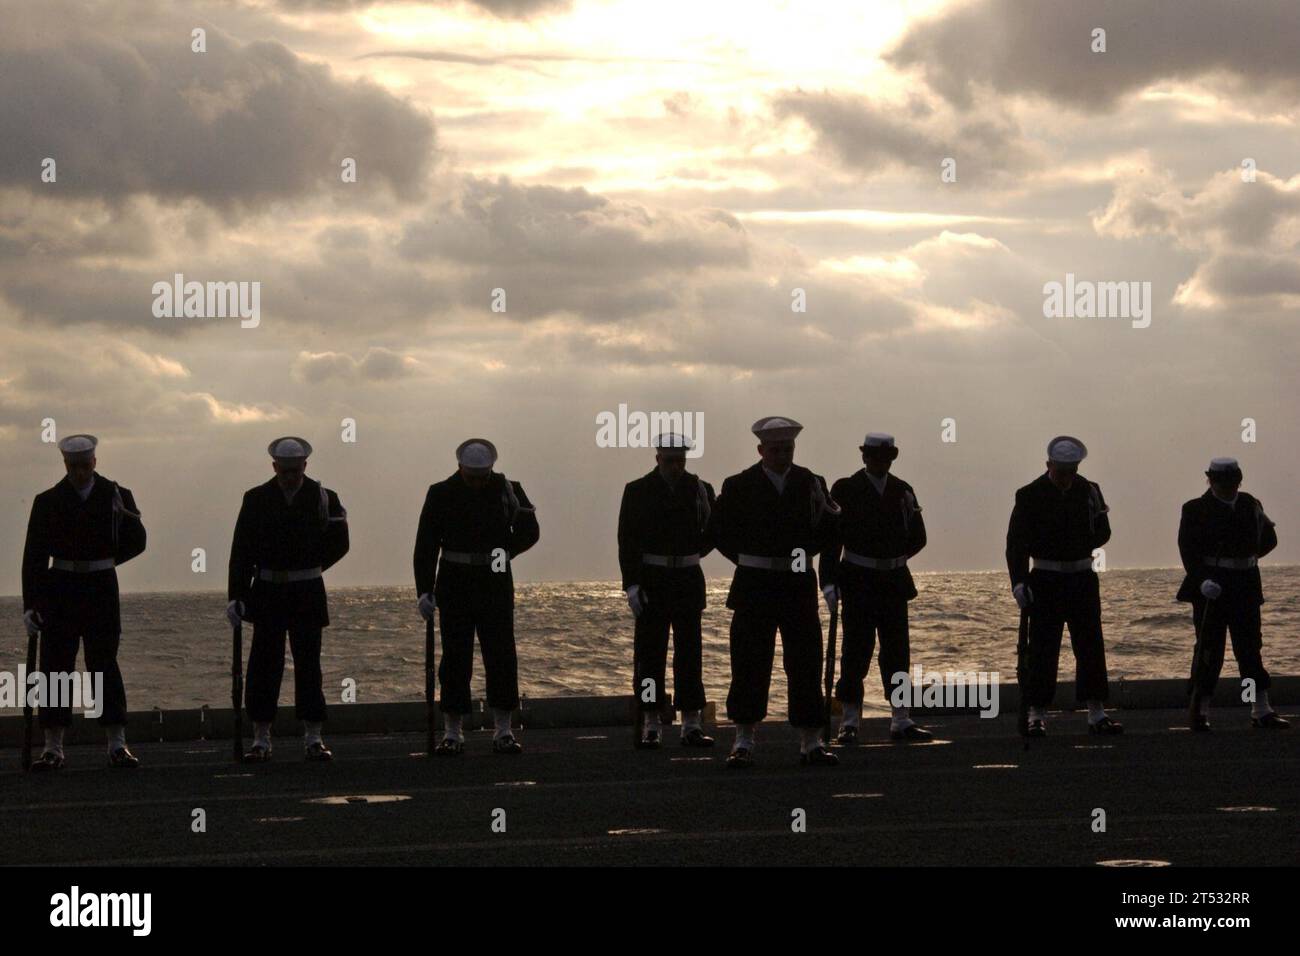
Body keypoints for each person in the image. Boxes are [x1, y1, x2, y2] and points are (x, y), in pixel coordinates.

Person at [707, 416, 840, 767]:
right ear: (761, 450)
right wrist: (747, 558)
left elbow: (829, 529)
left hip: (796, 583)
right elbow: (717, 531)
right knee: (750, 662)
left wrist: (805, 559)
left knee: (805, 661)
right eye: (777, 449)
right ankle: (743, 738)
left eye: (788, 449)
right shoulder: (737, 485)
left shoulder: (812, 482)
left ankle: (810, 740)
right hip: (754, 584)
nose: (784, 455)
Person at [21, 434, 147, 770]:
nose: (78, 472)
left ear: (94, 462)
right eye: (72, 466)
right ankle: (52, 747)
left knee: (104, 663)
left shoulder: (116, 495)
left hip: (100, 588)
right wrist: (31, 604)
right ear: (66, 465)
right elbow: (34, 556)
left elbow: (138, 540)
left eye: (84, 465)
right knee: (55, 666)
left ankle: (117, 743)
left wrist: (105, 559)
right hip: (60, 589)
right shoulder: (47, 501)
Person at [414, 439, 539, 755]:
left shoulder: (508, 489)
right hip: (455, 583)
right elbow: (426, 545)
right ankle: (453, 732)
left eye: (482, 477)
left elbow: (529, 530)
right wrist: (424, 590)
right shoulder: (440, 493)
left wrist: (503, 554)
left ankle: (503, 730)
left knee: (501, 655)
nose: (477, 483)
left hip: (494, 582)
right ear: (460, 469)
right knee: (455, 658)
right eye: (472, 477)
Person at [227, 437, 349, 762]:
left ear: (305, 467)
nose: (290, 476)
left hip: (306, 591)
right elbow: (241, 551)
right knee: (264, 666)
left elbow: (340, 542)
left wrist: (311, 564)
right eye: (284, 471)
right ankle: (261, 737)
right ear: (274, 467)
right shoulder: (255, 499)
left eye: (295, 471)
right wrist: (236, 596)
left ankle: (313, 736)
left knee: (309, 666)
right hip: (268, 592)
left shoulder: (324, 498)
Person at [1006, 436, 1121, 737]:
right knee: (1043, 649)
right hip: (1045, 579)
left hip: (1082, 577)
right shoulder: (1029, 495)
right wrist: (1018, 582)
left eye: (1072, 471)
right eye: (1062, 471)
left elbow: (1103, 531)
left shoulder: (1088, 490)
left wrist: (1080, 543)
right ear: (1049, 466)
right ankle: (1036, 714)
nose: (1067, 477)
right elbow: (1016, 544)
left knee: (1090, 646)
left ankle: (1096, 712)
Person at [820, 433, 931, 744]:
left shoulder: (902, 490)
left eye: (886, 457)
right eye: (875, 456)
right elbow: (833, 540)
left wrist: (894, 556)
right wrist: (828, 581)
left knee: (897, 652)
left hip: (893, 582)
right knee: (855, 652)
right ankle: (850, 719)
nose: (881, 462)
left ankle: (900, 717)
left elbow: (918, 537)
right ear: (864, 457)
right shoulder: (845, 489)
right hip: (858, 582)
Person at [617, 432, 717, 749]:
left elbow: (713, 530)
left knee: (690, 656)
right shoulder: (637, 491)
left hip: (687, 578)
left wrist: (692, 553)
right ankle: (651, 720)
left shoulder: (700, 489)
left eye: (681, 461)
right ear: (657, 458)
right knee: (650, 658)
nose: (676, 466)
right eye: (670, 460)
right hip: (653, 581)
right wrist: (632, 584)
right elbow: (627, 541)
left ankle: (691, 722)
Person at [1177, 457, 1288, 731]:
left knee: (1249, 649)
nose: (1228, 488)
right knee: (1208, 650)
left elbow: (1269, 540)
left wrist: (1246, 559)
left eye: (1233, 483)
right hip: (1212, 586)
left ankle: (1259, 708)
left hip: (1245, 584)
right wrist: (1202, 579)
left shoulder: (1250, 504)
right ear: (1210, 481)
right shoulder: (1195, 509)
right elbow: (1188, 550)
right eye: (1222, 483)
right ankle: (1200, 710)